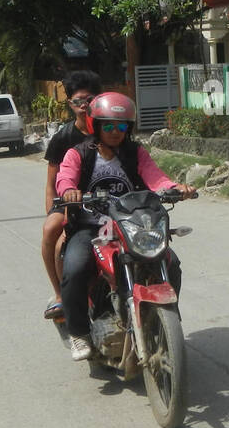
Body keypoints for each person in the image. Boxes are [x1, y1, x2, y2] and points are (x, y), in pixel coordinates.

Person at [55, 92, 194, 361]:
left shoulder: (135, 152)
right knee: (74, 268)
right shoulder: (78, 154)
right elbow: (65, 179)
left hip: (132, 226)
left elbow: (157, 179)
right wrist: (70, 191)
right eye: (108, 125)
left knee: (170, 261)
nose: (115, 131)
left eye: (121, 126)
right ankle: (79, 333)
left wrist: (175, 188)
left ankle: (166, 319)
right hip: (92, 228)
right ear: (96, 125)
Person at [41, 71, 102, 321]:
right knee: (52, 231)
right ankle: (60, 295)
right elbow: (51, 183)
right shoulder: (63, 138)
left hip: (107, 199)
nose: (83, 106)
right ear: (70, 104)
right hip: (71, 200)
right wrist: (57, 211)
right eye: (78, 101)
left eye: (89, 100)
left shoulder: (110, 129)